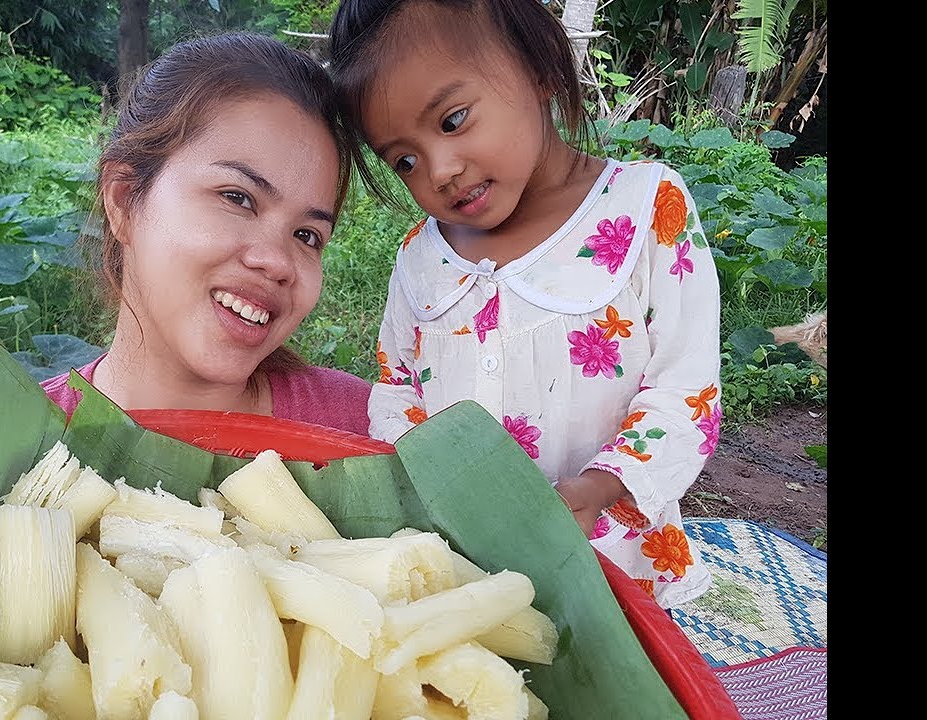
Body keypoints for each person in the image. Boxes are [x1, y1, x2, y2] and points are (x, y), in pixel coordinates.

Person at [329, 0, 719, 608]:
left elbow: (686, 390)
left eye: (453, 120)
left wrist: (603, 485)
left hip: (617, 568)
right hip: (466, 570)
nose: (440, 170)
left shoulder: (646, 209)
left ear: (538, 69)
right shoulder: (419, 258)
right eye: (404, 160)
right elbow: (397, 389)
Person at [42, 32, 373, 437]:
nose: (277, 262)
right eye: (238, 198)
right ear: (124, 199)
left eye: (307, 235)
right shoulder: (10, 443)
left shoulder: (372, 429)